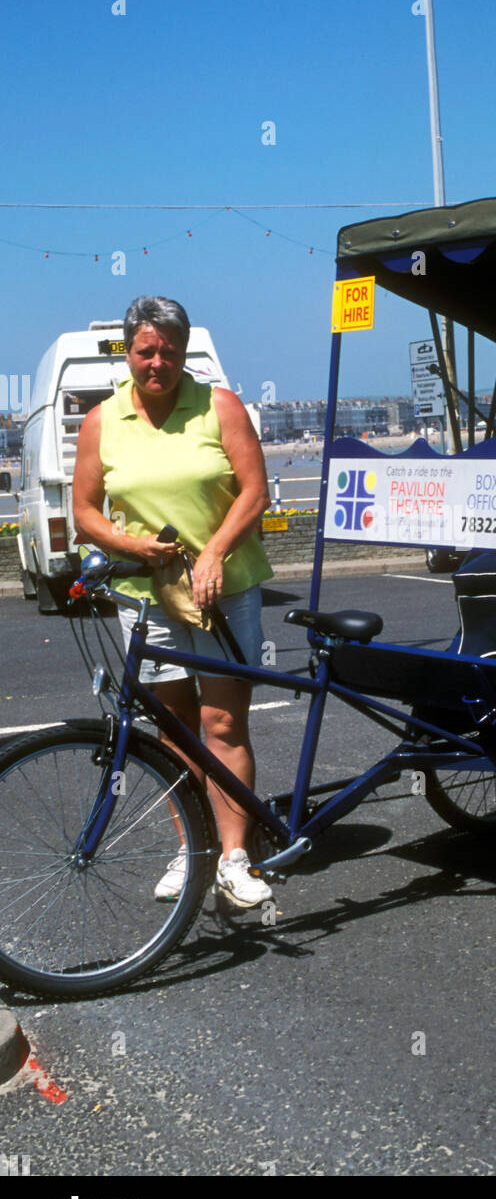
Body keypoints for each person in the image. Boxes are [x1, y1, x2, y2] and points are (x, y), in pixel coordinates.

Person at [73, 295, 274, 908]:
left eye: (169, 350)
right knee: (176, 732)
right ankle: (192, 850)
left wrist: (212, 551)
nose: (157, 362)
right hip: (148, 595)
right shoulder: (102, 420)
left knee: (222, 723)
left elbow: (255, 491)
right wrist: (128, 542)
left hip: (223, 587)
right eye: (145, 351)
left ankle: (235, 857)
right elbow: (83, 512)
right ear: (128, 352)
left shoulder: (219, 406)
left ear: (184, 352)